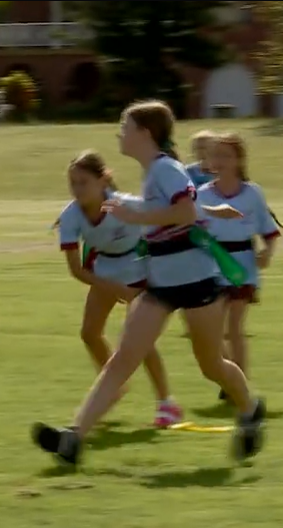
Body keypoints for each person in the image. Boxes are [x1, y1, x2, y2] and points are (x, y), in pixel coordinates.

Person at [31, 99, 266, 467]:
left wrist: (134, 217)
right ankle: (73, 438)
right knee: (122, 359)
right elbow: (188, 209)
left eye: (124, 128)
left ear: (144, 133)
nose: (119, 135)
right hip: (160, 284)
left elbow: (183, 212)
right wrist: (147, 214)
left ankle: (249, 409)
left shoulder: (165, 168)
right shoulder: (154, 172)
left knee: (211, 365)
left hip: (197, 279)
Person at [57, 150, 182, 429]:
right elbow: (77, 270)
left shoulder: (126, 205)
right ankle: (113, 388)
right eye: (73, 183)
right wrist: (115, 288)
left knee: (139, 341)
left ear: (103, 181)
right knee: (89, 333)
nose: (77, 189)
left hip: (138, 267)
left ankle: (167, 403)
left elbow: (174, 212)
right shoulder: (70, 216)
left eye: (83, 182)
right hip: (105, 271)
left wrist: (208, 212)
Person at [197, 132, 282, 403]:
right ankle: (229, 377)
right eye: (215, 155)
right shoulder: (201, 194)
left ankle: (240, 386)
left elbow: (269, 231)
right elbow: (193, 230)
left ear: (239, 160)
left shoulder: (252, 193)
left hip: (243, 265)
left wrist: (267, 252)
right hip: (212, 265)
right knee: (211, 332)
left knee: (234, 326)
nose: (220, 160)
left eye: (226, 155)